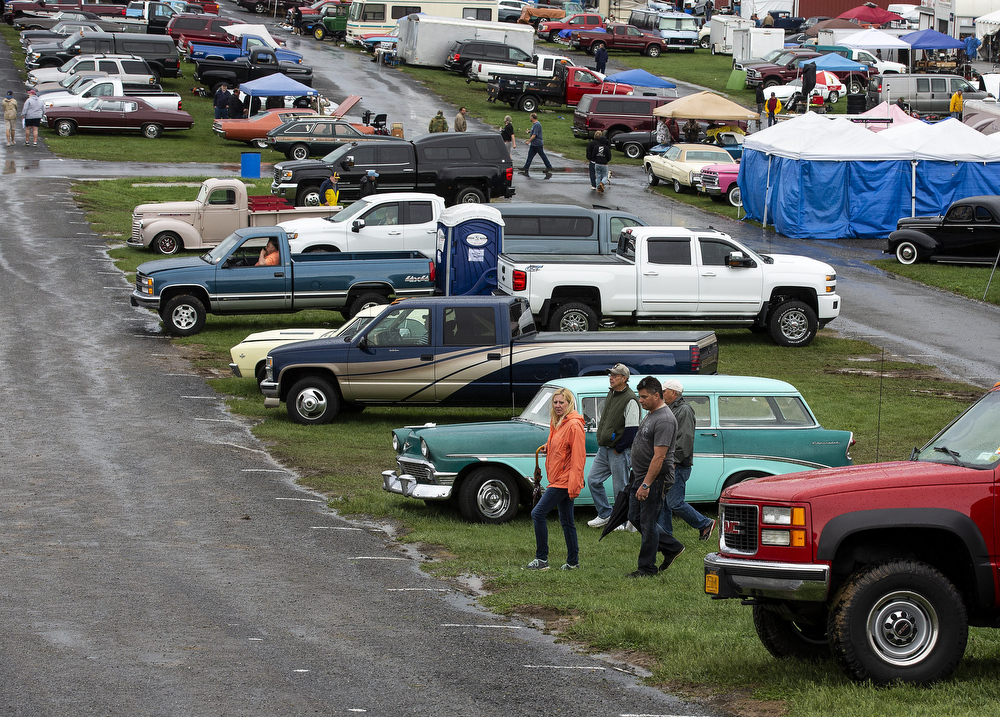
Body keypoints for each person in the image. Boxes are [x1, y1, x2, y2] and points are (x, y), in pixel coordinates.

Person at [626, 376, 685, 578]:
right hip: (640, 475)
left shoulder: (665, 420)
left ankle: (646, 568)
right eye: (639, 396)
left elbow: (659, 457)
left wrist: (646, 484)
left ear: (657, 395)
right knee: (634, 516)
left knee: (648, 522)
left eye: (644, 397)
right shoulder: (651, 413)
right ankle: (672, 546)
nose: (640, 400)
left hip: (654, 479)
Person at [525, 387, 585, 571]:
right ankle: (573, 562)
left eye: (562, 402)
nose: (558, 405)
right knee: (567, 520)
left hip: (564, 480)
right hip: (559, 477)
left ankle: (541, 559)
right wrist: (548, 446)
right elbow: (562, 447)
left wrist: (574, 484)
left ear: (569, 404)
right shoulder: (558, 422)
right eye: (555, 402)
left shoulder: (574, 425)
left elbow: (578, 456)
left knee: (537, 513)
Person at [656, 379, 715, 543]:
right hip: (669, 462)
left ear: (673, 393)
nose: (662, 394)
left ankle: (705, 523)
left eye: (665, 391)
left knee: (674, 502)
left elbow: (685, 438)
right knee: (664, 501)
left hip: (677, 464)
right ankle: (666, 536)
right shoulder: (670, 409)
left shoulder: (684, 410)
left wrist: (674, 461)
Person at [585, 364, 639, 528]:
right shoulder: (612, 393)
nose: (611, 377)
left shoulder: (630, 399)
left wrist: (619, 448)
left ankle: (622, 521)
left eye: (615, 375)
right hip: (605, 448)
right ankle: (605, 513)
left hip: (619, 450)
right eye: (611, 375)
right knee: (593, 480)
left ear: (624, 378)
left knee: (620, 488)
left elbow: (632, 430)